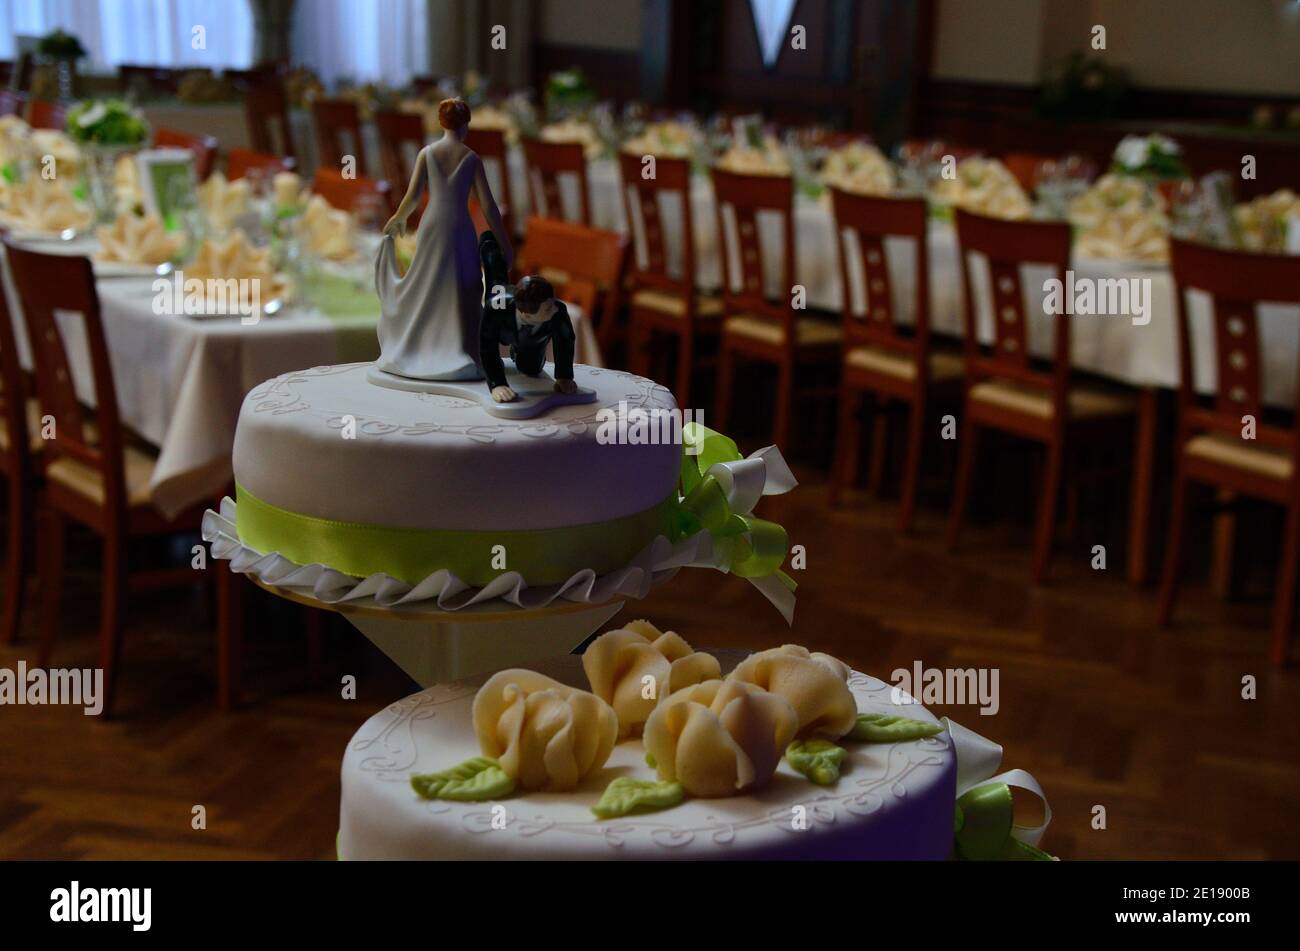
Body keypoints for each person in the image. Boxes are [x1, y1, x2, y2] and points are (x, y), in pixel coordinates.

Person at [374, 97, 513, 380]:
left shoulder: (427, 153)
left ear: (440, 122)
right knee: (461, 284)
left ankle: (430, 344)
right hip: (459, 226)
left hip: (432, 224)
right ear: (467, 124)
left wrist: (399, 217)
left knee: (429, 281)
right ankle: (457, 346)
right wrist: (503, 239)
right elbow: (488, 205)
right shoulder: (471, 158)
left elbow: (412, 196)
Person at [478, 231, 577, 403]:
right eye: (547, 309)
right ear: (526, 313)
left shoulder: (557, 311)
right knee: (497, 276)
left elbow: (565, 342)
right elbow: (487, 346)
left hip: (532, 342)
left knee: (531, 369)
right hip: (503, 322)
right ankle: (490, 245)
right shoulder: (497, 307)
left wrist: (564, 377)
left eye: (552, 303)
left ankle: (519, 353)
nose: (554, 310)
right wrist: (497, 384)